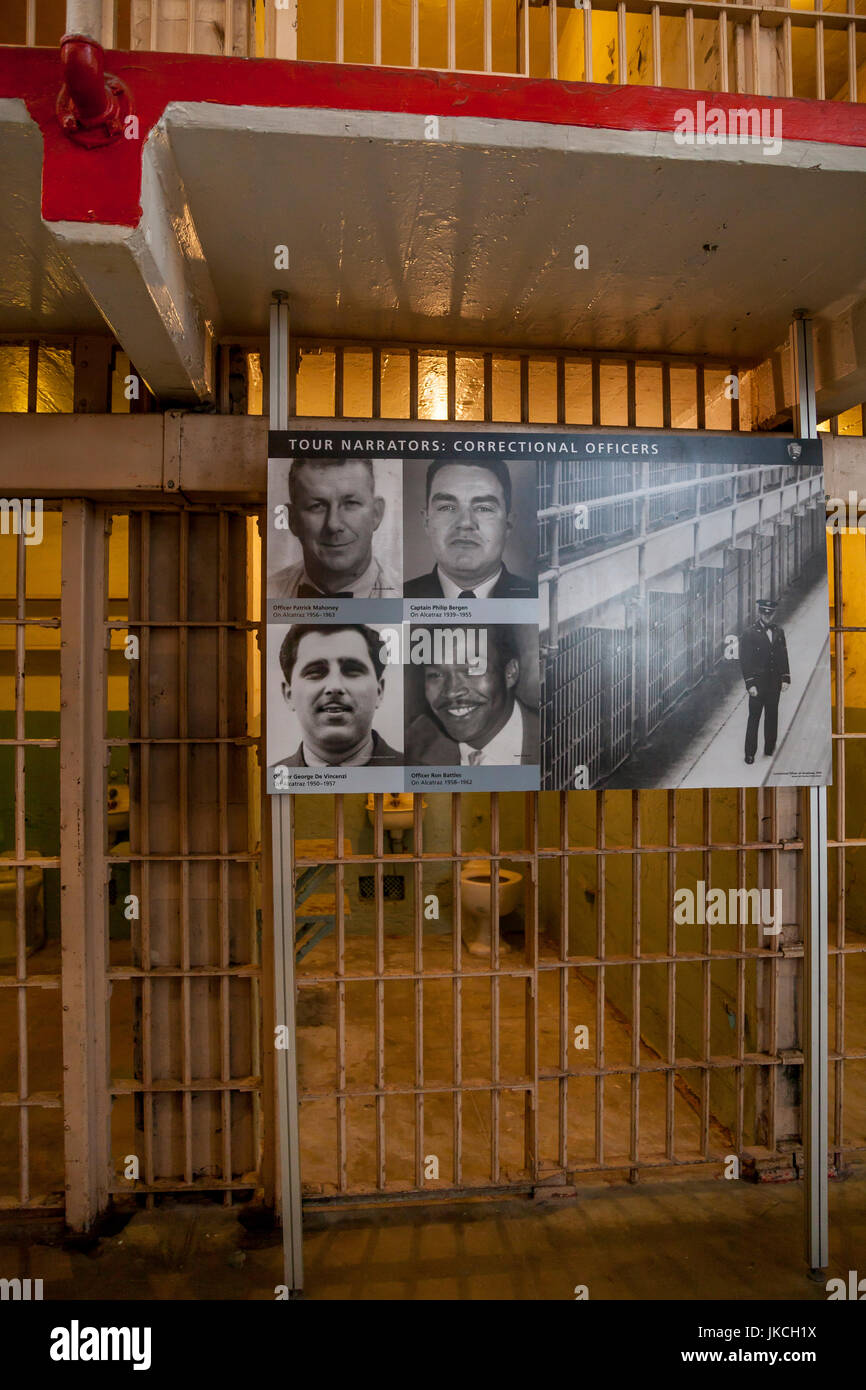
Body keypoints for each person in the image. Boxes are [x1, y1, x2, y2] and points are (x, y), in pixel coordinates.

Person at [406, 625, 539, 765]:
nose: (451, 691)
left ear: (510, 673)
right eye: (435, 675)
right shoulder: (412, 746)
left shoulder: (555, 739)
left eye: (472, 669)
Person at [404, 458, 536, 598]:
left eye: (484, 508)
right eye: (447, 507)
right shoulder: (399, 598)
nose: (465, 523)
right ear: (426, 521)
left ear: (507, 524)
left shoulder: (536, 599)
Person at [271, 458, 399, 598]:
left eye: (351, 503)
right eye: (317, 506)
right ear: (292, 519)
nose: (333, 524)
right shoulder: (265, 594)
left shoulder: (407, 594)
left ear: (376, 514)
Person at [276, 624, 402, 767]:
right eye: (315, 672)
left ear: (380, 691)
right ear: (288, 694)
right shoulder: (264, 782)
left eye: (352, 670)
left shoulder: (415, 775)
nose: (335, 686)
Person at [739, 598, 790, 765]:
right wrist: (750, 683)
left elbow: (783, 655)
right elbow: (745, 661)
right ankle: (749, 753)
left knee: (772, 715)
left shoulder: (778, 631)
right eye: (764, 613)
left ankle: (769, 747)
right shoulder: (749, 633)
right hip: (758, 685)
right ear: (760, 613)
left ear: (773, 614)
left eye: (770, 614)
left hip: (774, 683)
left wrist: (785, 677)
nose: (767, 616)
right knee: (754, 718)